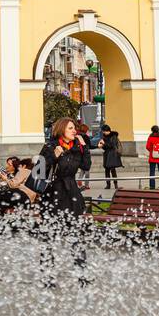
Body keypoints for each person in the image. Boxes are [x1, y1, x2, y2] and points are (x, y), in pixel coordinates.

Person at [38, 117, 90, 287]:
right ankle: (47, 276)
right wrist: (53, 156)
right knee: (49, 237)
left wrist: (84, 148)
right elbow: (39, 171)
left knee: (76, 235)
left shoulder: (76, 147)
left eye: (74, 128)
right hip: (53, 195)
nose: (74, 131)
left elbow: (86, 166)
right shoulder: (50, 146)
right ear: (61, 130)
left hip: (71, 195)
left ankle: (82, 274)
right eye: (70, 128)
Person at [96, 123, 122, 189]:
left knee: (113, 170)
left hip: (112, 155)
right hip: (107, 155)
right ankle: (108, 184)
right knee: (107, 170)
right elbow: (105, 147)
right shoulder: (104, 137)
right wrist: (102, 145)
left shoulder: (114, 136)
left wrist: (104, 143)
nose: (103, 132)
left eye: (104, 131)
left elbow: (111, 146)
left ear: (107, 130)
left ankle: (116, 184)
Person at [145, 125, 159, 190]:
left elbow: (147, 147)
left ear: (152, 130)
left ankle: (152, 187)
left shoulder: (150, 138)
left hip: (153, 158)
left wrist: (152, 151)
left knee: (152, 173)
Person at [75, 120, 93, 191]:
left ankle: (79, 181)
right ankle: (86, 185)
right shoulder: (85, 137)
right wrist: (98, 146)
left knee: (82, 169)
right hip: (86, 154)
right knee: (87, 170)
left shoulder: (77, 136)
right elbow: (89, 146)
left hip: (80, 155)